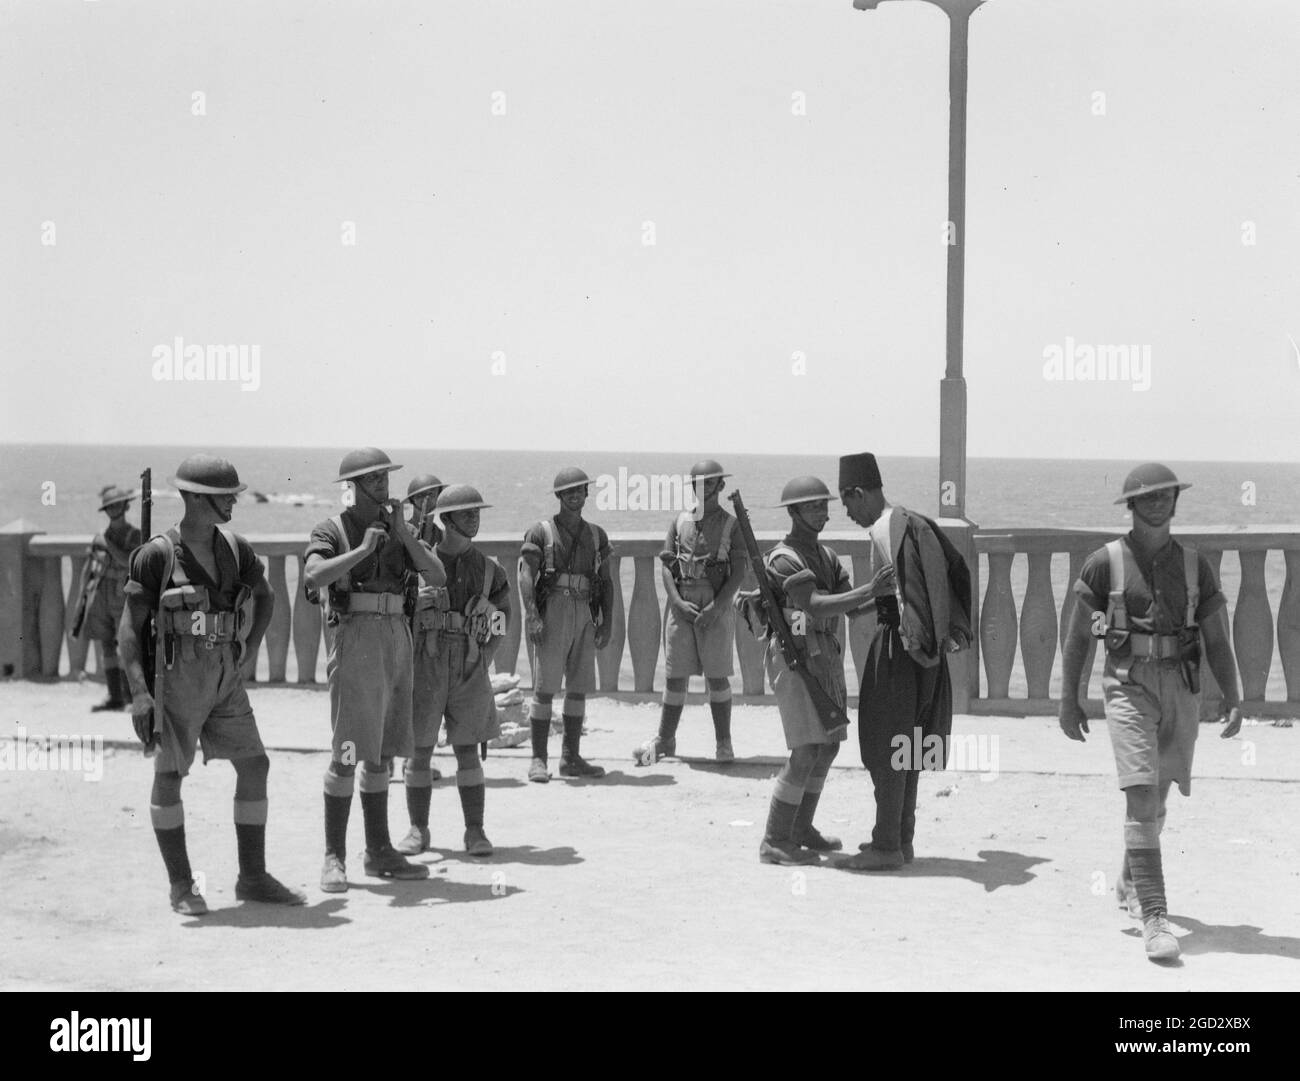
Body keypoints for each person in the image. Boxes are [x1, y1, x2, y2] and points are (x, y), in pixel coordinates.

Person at [1059, 463, 1241, 963]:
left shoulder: (1195, 565)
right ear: (1132, 506)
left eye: (1166, 496)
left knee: (1158, 794)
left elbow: (1218, 639)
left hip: (1181, 686)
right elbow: (1078, 636)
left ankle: (1131, 879)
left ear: (1175, 502)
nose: (1158, 504)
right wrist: (1068, 697)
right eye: (1149, 497)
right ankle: (1155, 916)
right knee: (1139, 788)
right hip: (1127, 683)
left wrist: (1232, 694)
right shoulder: (1104, 562)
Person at [119, 455, 305, 914]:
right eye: (225, 496)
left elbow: (265, 597)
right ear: (195, 498)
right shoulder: (157, 555)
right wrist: (140, 694)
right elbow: (128, 630)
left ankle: (253, 877)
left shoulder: (235, 548)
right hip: (175, 674)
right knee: (168, 774)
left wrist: (250, 648)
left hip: (224, 672)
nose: (233, 503)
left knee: (255, 765)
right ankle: (181, 886)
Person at [303, 448, 446, 893]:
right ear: (354, 486)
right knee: (347, 750)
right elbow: (313, 576)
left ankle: (378, 850)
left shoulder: (398, 530)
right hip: (357, 638)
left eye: (385, 476)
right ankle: (334, 856)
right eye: (374, 478)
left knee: (382, 752)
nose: (383, 483)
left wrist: (402, 534)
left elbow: (436, 575)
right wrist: (363, 549)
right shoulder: (333, 529)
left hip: (396, 637)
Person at [839, 452, 972, 871]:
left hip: (898, 647)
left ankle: (885, 845)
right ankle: (902, 839)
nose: (846, 512)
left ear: (859, 493)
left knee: (887, 744)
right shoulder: (911, 521)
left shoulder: (883, 530)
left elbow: (896, 603)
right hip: (925, 654)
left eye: (846, 502)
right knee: (911, 746)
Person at [758, 476, 894, 865]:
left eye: (823, 505)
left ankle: (800, 828)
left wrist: (886, 598)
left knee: (828, 746)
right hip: (794, 655)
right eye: (813, 506)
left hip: (823, 654)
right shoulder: (785, 558)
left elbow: (848, 608)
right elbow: (815, 604)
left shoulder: (827, 557)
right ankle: (774, 838)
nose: (822, 511)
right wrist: (872, 590)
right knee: (805, 750)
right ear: (794, 512)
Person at [396, 484, 510, 857]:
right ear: (445, 519)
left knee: (467, 750)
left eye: (476, 513)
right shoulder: (419, 564)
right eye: (465, 514)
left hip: (469, 664)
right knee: (420, 750)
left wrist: (484, 654)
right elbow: (395, 616)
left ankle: (475, 831)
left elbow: (503, 620)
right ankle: (418, 829)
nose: (473, 519)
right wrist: (416, 604)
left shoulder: (490, 570)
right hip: (425, 662)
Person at [633, 460, 747, 765]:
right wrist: (677, 603)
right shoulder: (679, 521)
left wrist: (717, 607)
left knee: (717, 677)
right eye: (697, 483)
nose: (703, 489)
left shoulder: (731, 525)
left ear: (720, 486)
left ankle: (724, 742)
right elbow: (668, 567)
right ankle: (665, 739)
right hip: (682, 603)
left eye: (709, 483)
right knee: (675, 676)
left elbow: (738, 573)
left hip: (715, 603)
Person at [519, 467, 613, 782]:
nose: (575, 496)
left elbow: (607, 581)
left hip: (584, 609)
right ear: (559, 496)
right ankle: (538, 759)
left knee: (578, 687)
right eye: (568, 491)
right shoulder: (541, 531)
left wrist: (607, 621)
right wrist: (532, 614)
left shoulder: (597, 535)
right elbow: (526, 575)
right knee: (545, 688)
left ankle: (571, 758)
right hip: (553, 609)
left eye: (580, 490)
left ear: (586, 494)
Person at [73, 485, 142, 711]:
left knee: (125, 646)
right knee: (106, 646)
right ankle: (115, 697)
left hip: (122, 593)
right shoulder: (100, 537)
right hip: (101, 592)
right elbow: (90, 566)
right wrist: (82, 597)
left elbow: (127, 561)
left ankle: (131, 698)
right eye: (109, 506)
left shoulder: (135, 535)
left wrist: (108, 543)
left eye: (117, 504)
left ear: (126, 506)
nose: (114, 509)